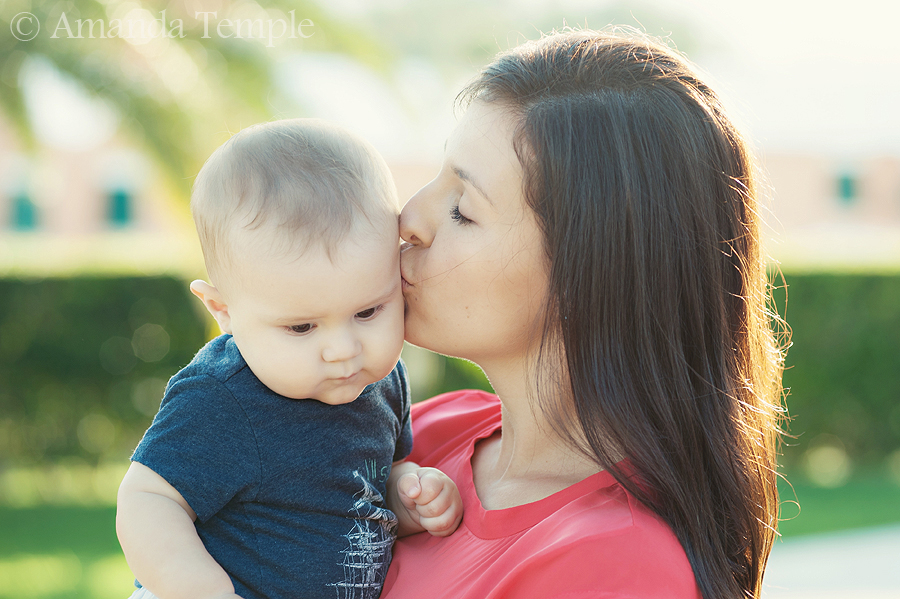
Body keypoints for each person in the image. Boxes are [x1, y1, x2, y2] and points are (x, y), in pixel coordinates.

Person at [382, 29, 785, 599]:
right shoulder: (424, 431)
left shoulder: (615, 565)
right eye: (437, 178)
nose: (409, 219)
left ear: (590, 272)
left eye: (462, 211)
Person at [115, 119, 463, 599]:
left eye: (367, 312)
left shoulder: (382, 382)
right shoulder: (222, 397)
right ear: (224, 311)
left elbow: (366, 490)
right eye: (302, 328)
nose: (343, 350)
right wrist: (197, 587)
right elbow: (148, 497)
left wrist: (410, 494)